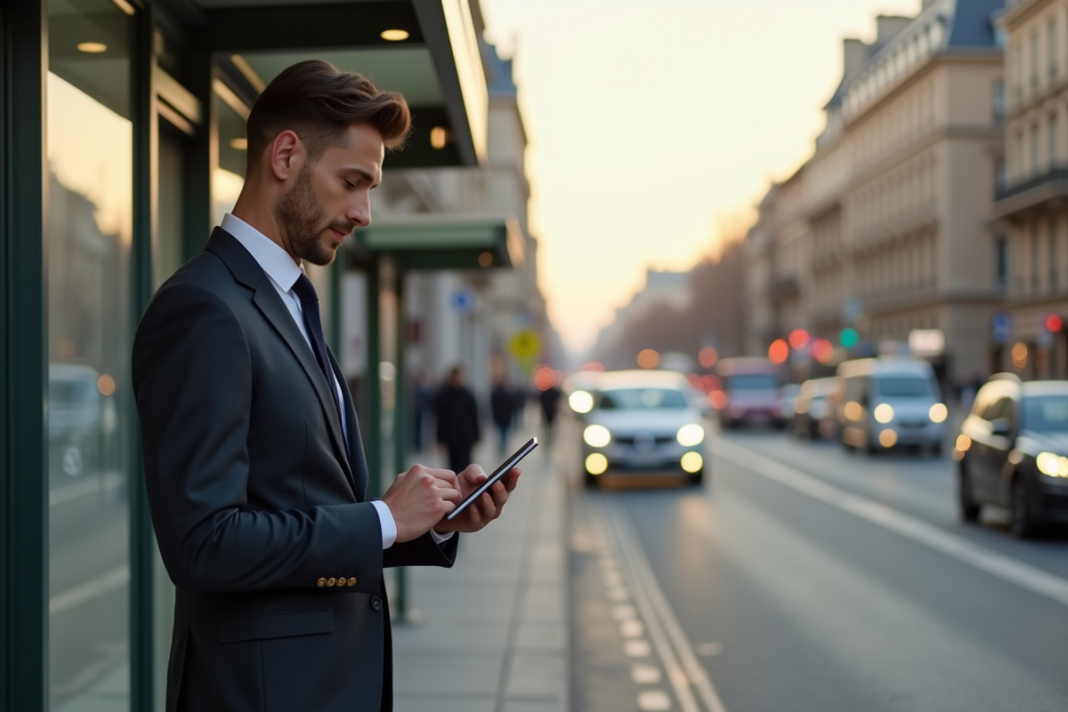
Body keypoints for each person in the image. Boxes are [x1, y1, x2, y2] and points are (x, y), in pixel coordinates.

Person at [131, 60, 520, 712]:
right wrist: (381, 519)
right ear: (285, 155)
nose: (364, 212)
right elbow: (204, 544)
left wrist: (426, 524)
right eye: (352, 182)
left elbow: (298, 504)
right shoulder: (204, 309)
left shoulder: (291, 302)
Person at [436, 366, 481, 473]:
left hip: (466, 437)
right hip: (451, 438)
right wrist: (439, 439)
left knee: (466, 466)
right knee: (453, 466)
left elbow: (474, 417)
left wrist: (477, 436)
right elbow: (440, 419)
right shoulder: (444, 396)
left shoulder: (468, 395)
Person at [491, 377, 516, 454]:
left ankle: (501, 446)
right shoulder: (507, 393)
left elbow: (493, 406)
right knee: (504, 432)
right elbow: (512, 405)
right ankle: (503, 446)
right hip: (506, 417)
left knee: (500, 432)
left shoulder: (495, 394)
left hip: (498, 417)